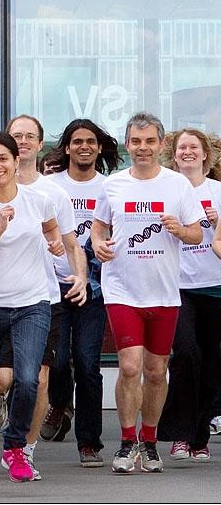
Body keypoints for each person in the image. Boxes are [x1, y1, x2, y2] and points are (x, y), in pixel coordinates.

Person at [0, 131, 78, 494]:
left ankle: (15, 448)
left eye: (3, 159)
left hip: (32, 303)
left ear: (15, 162)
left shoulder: (39, 200)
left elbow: (54, 235)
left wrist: (56, 245)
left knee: (28, 379)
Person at [90, 112, 203, 474]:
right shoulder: (113, 184)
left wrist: (179, 231)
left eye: (150, 141)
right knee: (129, 366)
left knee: (156, 372)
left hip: (164, 293)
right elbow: (98, 226)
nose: (143, 148)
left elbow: (197, 234)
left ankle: (149, 442)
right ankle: (126, 443)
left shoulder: (177, 185)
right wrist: (97, 245)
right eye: (136, 142)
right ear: (128, 145)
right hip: (123, 290)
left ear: (161, 144)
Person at [0, 114, 88, 480]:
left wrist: (79, 274)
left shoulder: (54, 193)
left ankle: (24, 450)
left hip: (44, 298)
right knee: (2, 379)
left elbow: (71, 241)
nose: (24, 141)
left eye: (30, 136)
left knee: (41, 378)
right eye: (17, 136)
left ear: (40, 144)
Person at [42, 118, 122, 467]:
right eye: (77, 141)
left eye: (90, 141)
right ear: (68, 147)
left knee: (88, 364)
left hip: (94, 287)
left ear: (100, 147)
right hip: (53, 283)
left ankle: (89, 442)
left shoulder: (112, 187)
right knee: (58, 362)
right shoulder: (49, 186)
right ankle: (59, 404)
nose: (84, 146)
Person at [157, 129, 221, 461]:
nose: (188, 152)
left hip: (214, 287)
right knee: (185, 353)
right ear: (175, 154)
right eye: (182, 147)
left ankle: (198, 437)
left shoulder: (218, 192)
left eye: (194, 147)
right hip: (177, 286)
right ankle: (179, 435)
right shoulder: (167, 188)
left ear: (205, 155)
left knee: (211, 365)